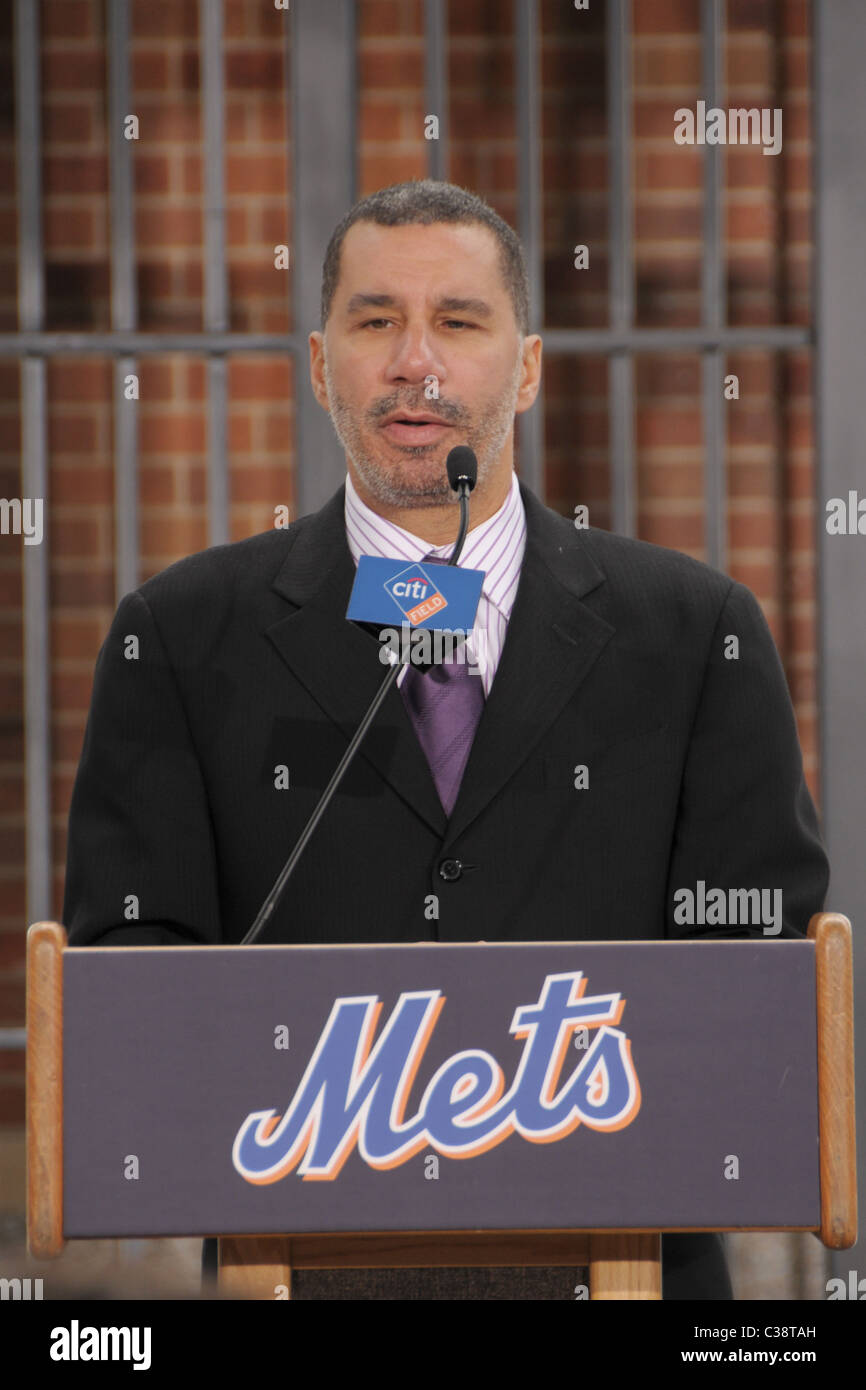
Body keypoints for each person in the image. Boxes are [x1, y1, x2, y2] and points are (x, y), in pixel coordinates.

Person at [63, 179, 829, 1300]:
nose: (414, 362)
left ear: (523, 368)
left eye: (457, 322)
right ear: (321, 365)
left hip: (627, 1278)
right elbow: (134, 977)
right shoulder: (178, 638)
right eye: (375, 321)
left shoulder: (694, 633)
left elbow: (761, 976)